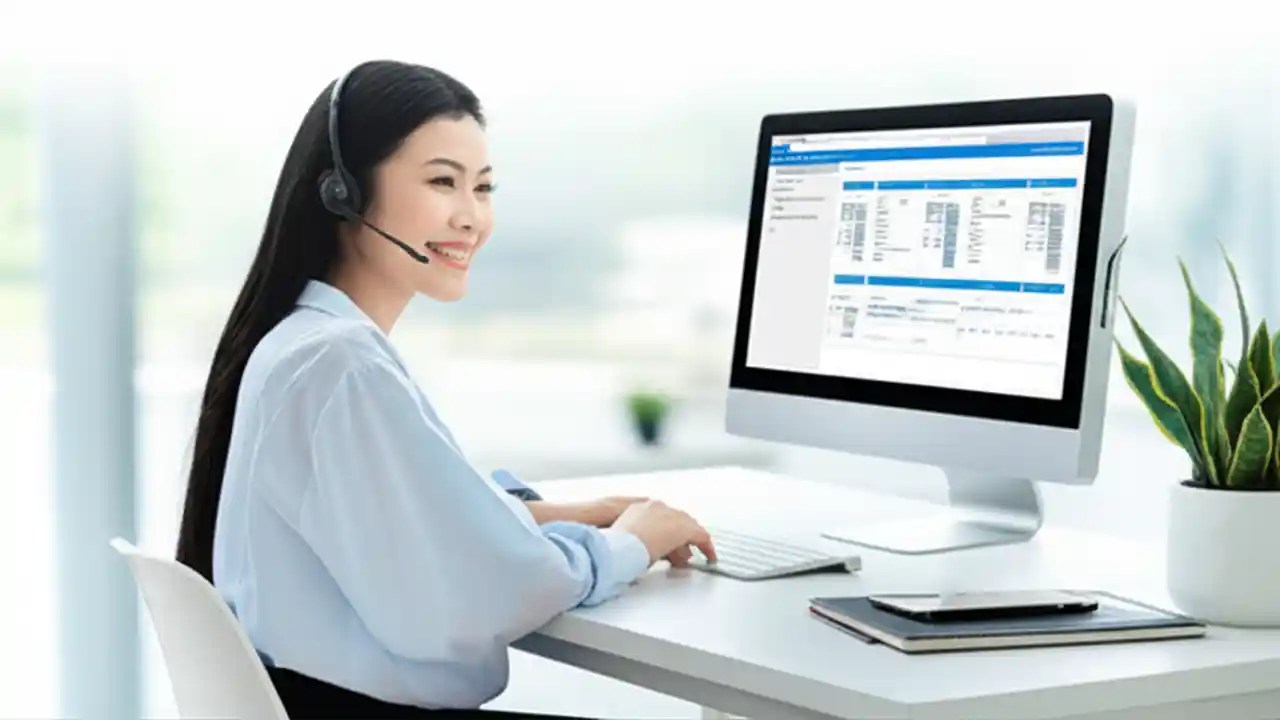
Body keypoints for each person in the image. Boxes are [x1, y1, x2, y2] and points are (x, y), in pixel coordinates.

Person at [174, 59, 718, 719]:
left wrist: (558, 513)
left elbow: (398, 524)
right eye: (442, 182)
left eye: (483, 189)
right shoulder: (341, 365)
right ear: (343, 193)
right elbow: (484, 593)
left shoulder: (302, 343)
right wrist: (631, 542)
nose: (472, 218)